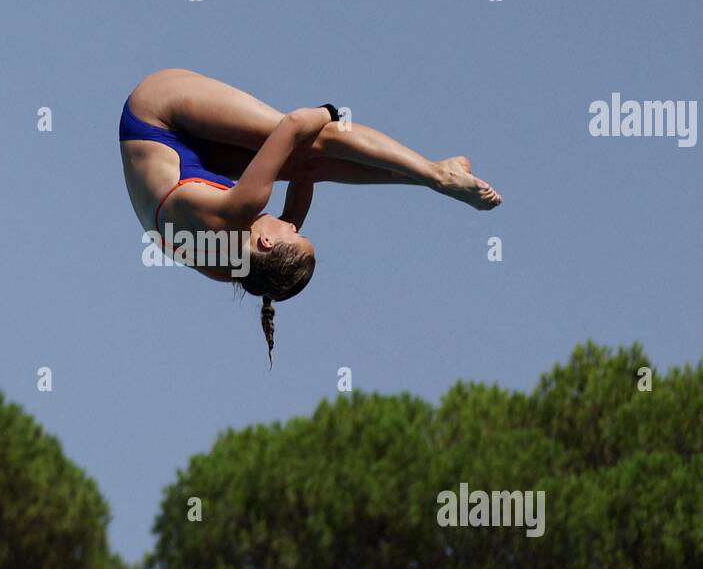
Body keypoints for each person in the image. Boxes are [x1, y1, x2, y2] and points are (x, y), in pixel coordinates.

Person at [119, 68, 502, 362]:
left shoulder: (241, 208)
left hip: (156, 111)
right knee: (312, 163)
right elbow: (305, 175)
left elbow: (297, 124)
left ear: (267, 242)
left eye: (292, 231)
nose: (291, 223)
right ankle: (431, 174)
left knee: (319, 138)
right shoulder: (240, 266)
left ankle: (437, 175)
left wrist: (328, 112)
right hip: (186, 161)